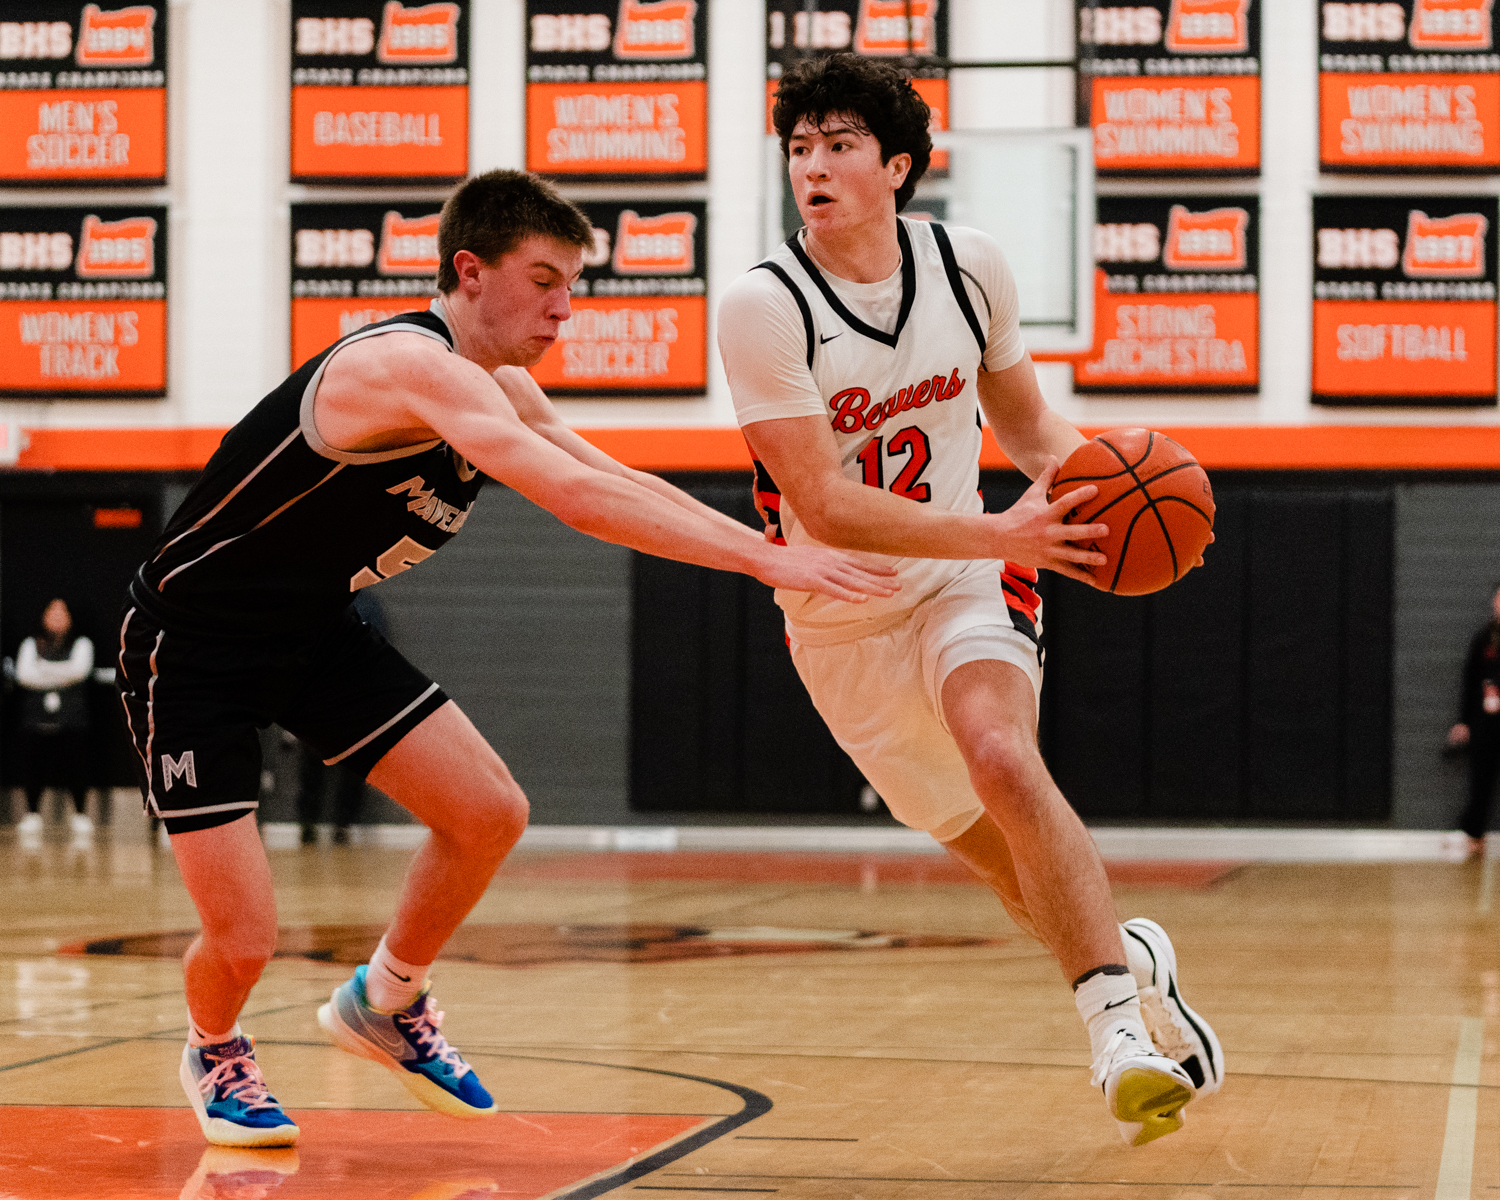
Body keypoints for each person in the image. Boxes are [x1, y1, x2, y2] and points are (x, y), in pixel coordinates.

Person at [116, 169, 897, 1149]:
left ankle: (386, 1001)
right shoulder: (408, 367)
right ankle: (214, 1043)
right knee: (243, 938)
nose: (565, 307)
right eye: (543, 279)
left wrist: (768, 550)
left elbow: (612, 475)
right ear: (469, 272)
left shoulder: (505, 387)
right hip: (194, 645)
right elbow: (573, 502)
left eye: (574, 284)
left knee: (488, 813)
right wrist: (768, 560)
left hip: (311, 631)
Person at [718, 53, 1221, 1146]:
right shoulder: (763, 307)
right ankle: (1134, 962)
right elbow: (825, 502)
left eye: (841, 144)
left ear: (897, 165)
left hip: (965, 578)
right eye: (800, 147)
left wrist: (1111, 485)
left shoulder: (969, 266)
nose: (814, 164)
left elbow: (1028, 428)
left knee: (1001, 755)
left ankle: (1117, 1038)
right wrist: (999, 524)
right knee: (1010, 873)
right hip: (840, 616)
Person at [17, 598, 95, 840]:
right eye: (53, 612)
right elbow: (25, 674)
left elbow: (79, 671)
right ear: (44, 617)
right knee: (34, 765)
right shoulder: (31, 644)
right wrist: (61, 673)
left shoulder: (81, 644)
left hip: (73, 718)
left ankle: (81, 813)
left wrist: (44, 669)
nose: (57, 618)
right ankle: (31, 813)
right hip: (36, 718)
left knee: (76, 764)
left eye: (63, 612)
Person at [1446, 581, 1500, 855]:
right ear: (1494, 603)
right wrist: (1464, 722)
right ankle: (1474, 838)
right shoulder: (1483, 640)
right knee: (1481, 781)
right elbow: (1470, 682)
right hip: (1486, 723)